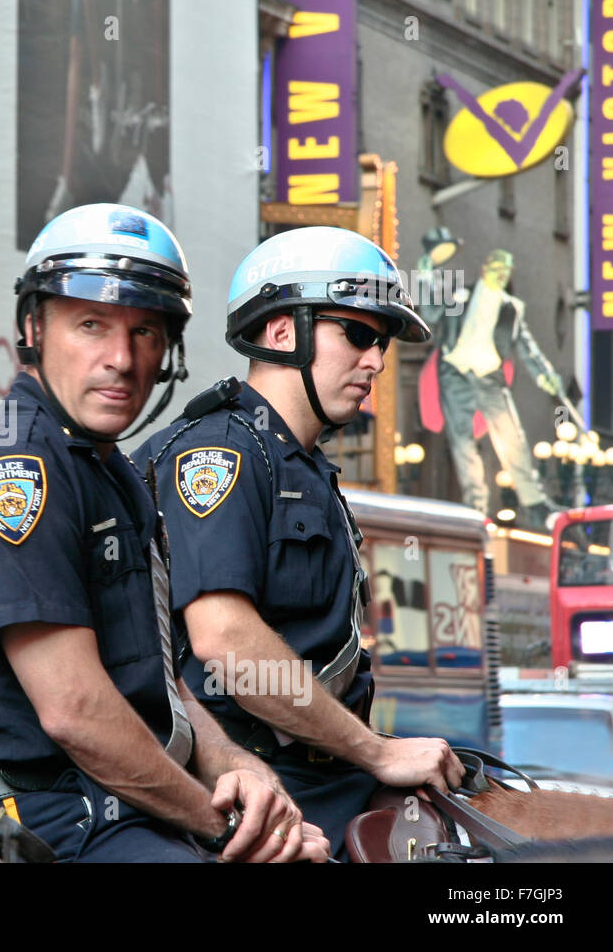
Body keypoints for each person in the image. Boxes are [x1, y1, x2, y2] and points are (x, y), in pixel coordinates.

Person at [0, 203, 331, 862]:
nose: (121, 358)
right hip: (36, 817)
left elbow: (155, 686)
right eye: (91, 325)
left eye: (145, 331)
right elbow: (75, 711)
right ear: (33, 327)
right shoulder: (11, 461)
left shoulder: (103, 466)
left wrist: (242, 775)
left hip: (109, 805)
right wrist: (223, 828)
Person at [134, 227, 465, 859]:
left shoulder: (301, 463)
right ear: (284, 332)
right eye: (359, 334)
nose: (376, 361)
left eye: (384, 342)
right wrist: (376, 751)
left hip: (326, 776)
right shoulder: (221, 452)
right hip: (251, 792)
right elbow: (224, 642)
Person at [426, 249, 564, 528]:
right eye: (497, 268)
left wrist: (545, 375)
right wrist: (426, 277)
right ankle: (476, 506)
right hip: (456, 369)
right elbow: (430, 313)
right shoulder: (460, 295)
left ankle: (533, 501)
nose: (501, 274)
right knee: (462, 439)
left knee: (511, 435)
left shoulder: (511, 307)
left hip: (490, 374)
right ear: (484, 268)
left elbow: (527, 347)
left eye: (506, 270)